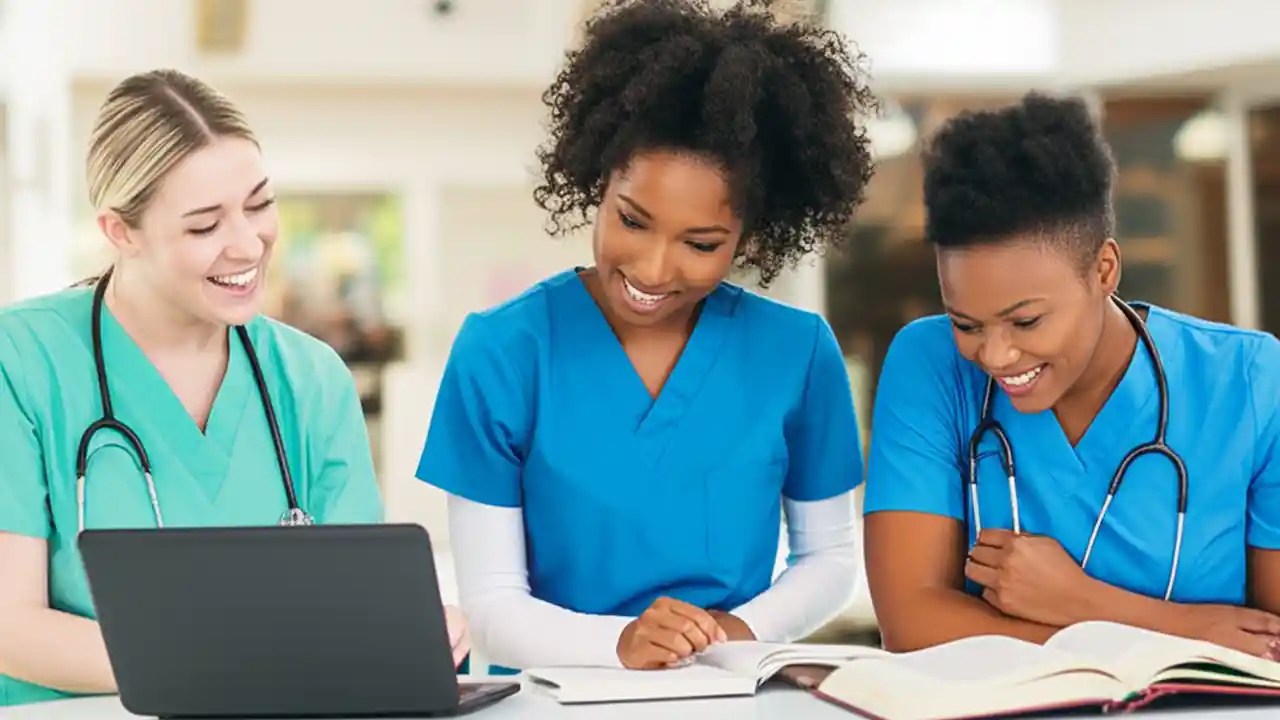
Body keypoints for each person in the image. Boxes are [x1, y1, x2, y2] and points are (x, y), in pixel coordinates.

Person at [416, 0, 876, 672]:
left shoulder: (798, 354)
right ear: (598, 181)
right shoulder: (501, 351)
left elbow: (830, 561)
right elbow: (488, 604)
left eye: (700, 242)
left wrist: (736, 629)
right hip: (551, 703)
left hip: (727, 695)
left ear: (750, 235)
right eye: (632, 220)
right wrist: (620, 645)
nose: (654, 270)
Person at [0, 69, 469, 707]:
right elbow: (12, 626)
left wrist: (398, 631)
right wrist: (252, 651)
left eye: (259, 204)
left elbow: (346, 607)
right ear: (120, 231)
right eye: (203, 226)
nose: (248, 244)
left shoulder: (311, 380)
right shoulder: (23, 360)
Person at [862, 92, 1280, 659]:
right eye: (967, 322)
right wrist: (1177, 632)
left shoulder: (1251, 381)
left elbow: (1270, 643)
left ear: (1104, 269)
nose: (996, 354)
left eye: (1026, 320)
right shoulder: (931, 363)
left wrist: (1082, 601)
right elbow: (912, 623)